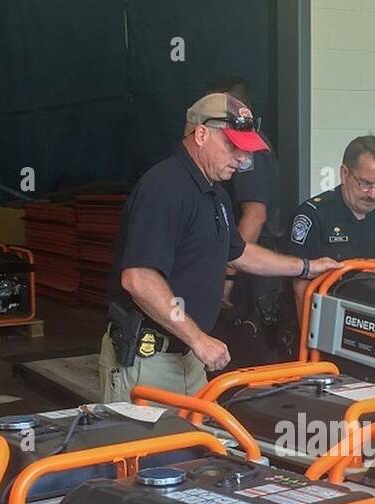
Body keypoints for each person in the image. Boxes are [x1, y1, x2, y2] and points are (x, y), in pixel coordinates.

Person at [102, 93, 340, 400]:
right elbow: (139, 279)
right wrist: (199, 338)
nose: (242, 159)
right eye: (232, 146)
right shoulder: (164, 187)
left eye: (245, 150)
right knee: (146, 448)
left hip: (187, 358)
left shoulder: (214, 194)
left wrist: (307, 266)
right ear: (201, 134)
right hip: (149, 360)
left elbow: (239, 253)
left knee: (197, 446)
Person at [285, 134, 375, 316]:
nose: (373, 195)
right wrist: (312, 342)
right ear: (344, 174)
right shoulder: (313, 215)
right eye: (365, 184)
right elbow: (302, 291)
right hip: (328, 323)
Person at [208, 75, 285, 367]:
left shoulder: (247, 148)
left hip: (249, 278)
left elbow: (255, 215)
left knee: (242, 367)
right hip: (244, 268)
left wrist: (227, 275)